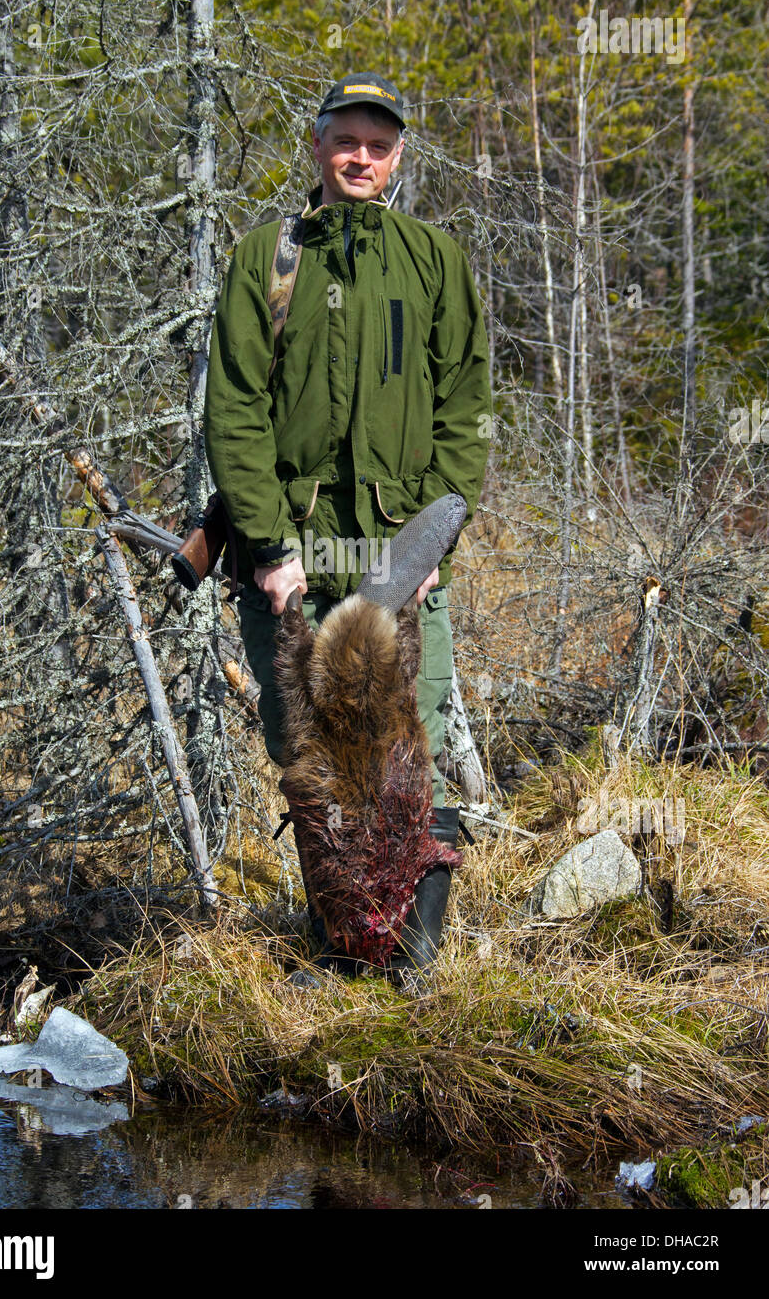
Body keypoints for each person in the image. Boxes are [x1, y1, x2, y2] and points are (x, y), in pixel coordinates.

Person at [204, 71, 492, 973]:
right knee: (309, 757)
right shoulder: (267, 260)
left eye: (377, 142)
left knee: (417, 747)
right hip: (290, 561)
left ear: (397, 155)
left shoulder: (434, 259)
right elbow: (235, 411)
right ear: (317, 146)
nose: (359, 156)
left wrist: (436, 535)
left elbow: (466, 408)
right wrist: (270, 547)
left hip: (396, 556)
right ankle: (342, 948)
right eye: (344, 139)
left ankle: (412, 964)